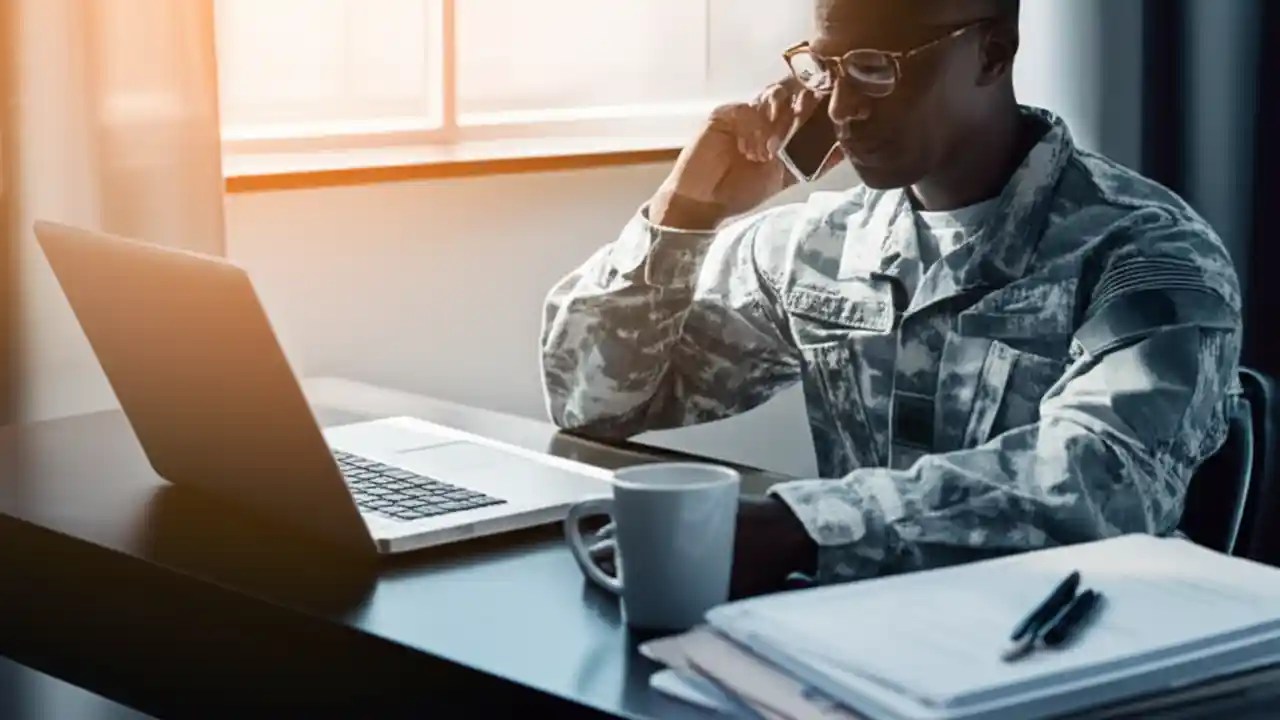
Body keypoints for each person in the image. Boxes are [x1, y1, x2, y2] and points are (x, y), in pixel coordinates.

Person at [540, 0, 1243, 599]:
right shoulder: (819, 246)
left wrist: (805, 529)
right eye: (827, 70)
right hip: (860, 639)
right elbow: (592, 401)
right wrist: (686, 211)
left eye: (877, 68)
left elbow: (1103, 484)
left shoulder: (1147, 252)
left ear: (992, 53)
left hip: (1072, 642)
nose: (841, 108)